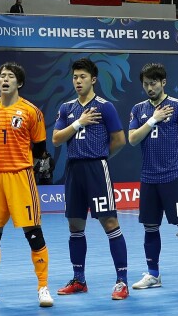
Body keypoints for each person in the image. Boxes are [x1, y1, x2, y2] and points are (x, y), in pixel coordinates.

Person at [0, 62, 54, 308]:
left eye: (11, 76)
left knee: (33, 232)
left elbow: (39, 149)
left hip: (21, 176)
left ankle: (43, 287)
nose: (5, 79)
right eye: (2, 76)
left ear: (20, 83)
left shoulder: (31, 112)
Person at [53, 58, 130, 300]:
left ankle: (122, 281)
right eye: (75, 77)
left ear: (93, 79)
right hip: (73, 170)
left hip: (96, 168)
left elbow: (119, 140)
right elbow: (56, 138)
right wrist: (79, 123)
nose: (78, 81)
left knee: (109, 223)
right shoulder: (66, 108)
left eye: (82, 77)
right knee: (75, 226)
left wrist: (100, 157)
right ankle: (79, 280)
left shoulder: (105, 107)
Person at [124, 63, 178, 293]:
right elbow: (132, 139)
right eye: (146, 84)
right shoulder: (139, 109)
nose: (150, 87)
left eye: (154, 83)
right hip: (149, 179)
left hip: (173, 177)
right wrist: (153, 119)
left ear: (163, 82)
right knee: (150, 228)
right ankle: (154, 275)